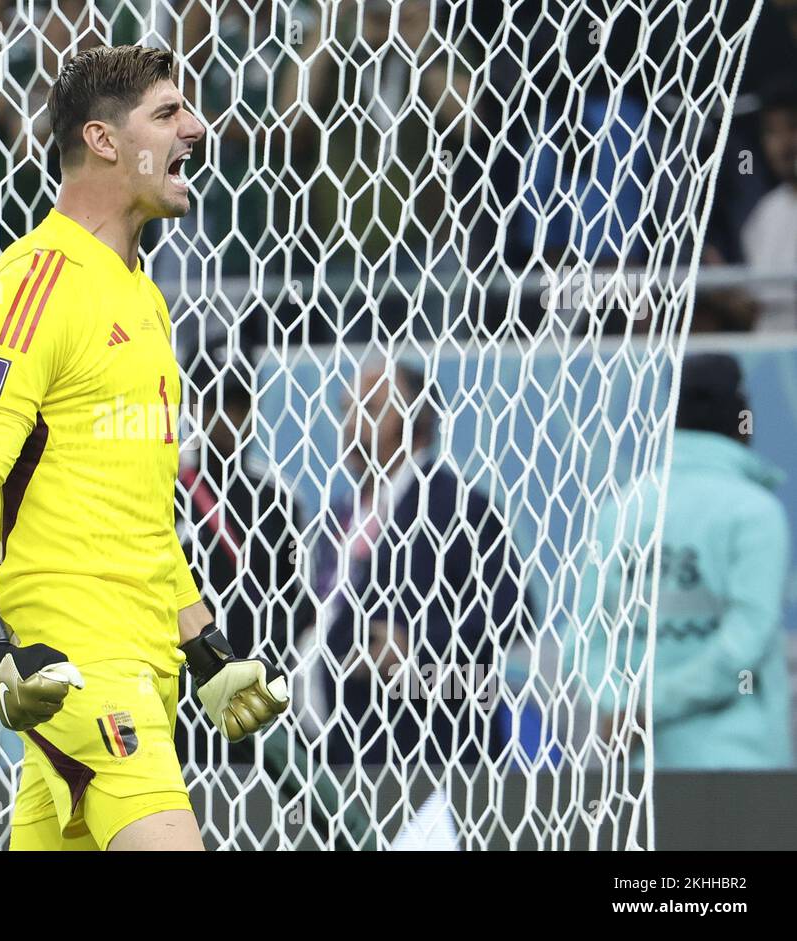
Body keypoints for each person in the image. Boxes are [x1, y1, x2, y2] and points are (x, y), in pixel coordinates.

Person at [0, 44, 289, 852]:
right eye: (167, 114)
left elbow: (142, 516)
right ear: (101, 140)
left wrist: (203, 646)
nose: (196, 128)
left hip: (145, 670)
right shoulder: (32, 284)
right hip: (84, 675)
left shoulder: (146, 301)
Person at [576, 354, 793, 769]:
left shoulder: (623, 508)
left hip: (640, 773)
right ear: (742, 420)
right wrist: (646, 707)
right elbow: (743, 646)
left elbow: (584, 640)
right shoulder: (755, 512)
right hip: (740, 766)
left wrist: (627, 707)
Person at [309, 362, 529, 767]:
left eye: (371, 409)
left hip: (434, 752)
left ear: (418, 422)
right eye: (346, 410)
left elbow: (512, 612)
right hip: (345, 754)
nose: (353, 422)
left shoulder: (462, 509)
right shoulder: (337, 519)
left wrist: (416, 650)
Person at [175, 373, 308, 766]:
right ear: (194, 410)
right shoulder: (168, 493)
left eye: (238, 405)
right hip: (181, 694)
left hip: (254, 696)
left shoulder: (278, 498)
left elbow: (295, 597)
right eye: (216, 404)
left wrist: (264, 667)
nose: (229, 417)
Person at [740, 81, 797, 331]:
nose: (784, 144)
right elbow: (756, 308)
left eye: (792, 127)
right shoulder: (765, 214)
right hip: (770, 357)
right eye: (771, 132)